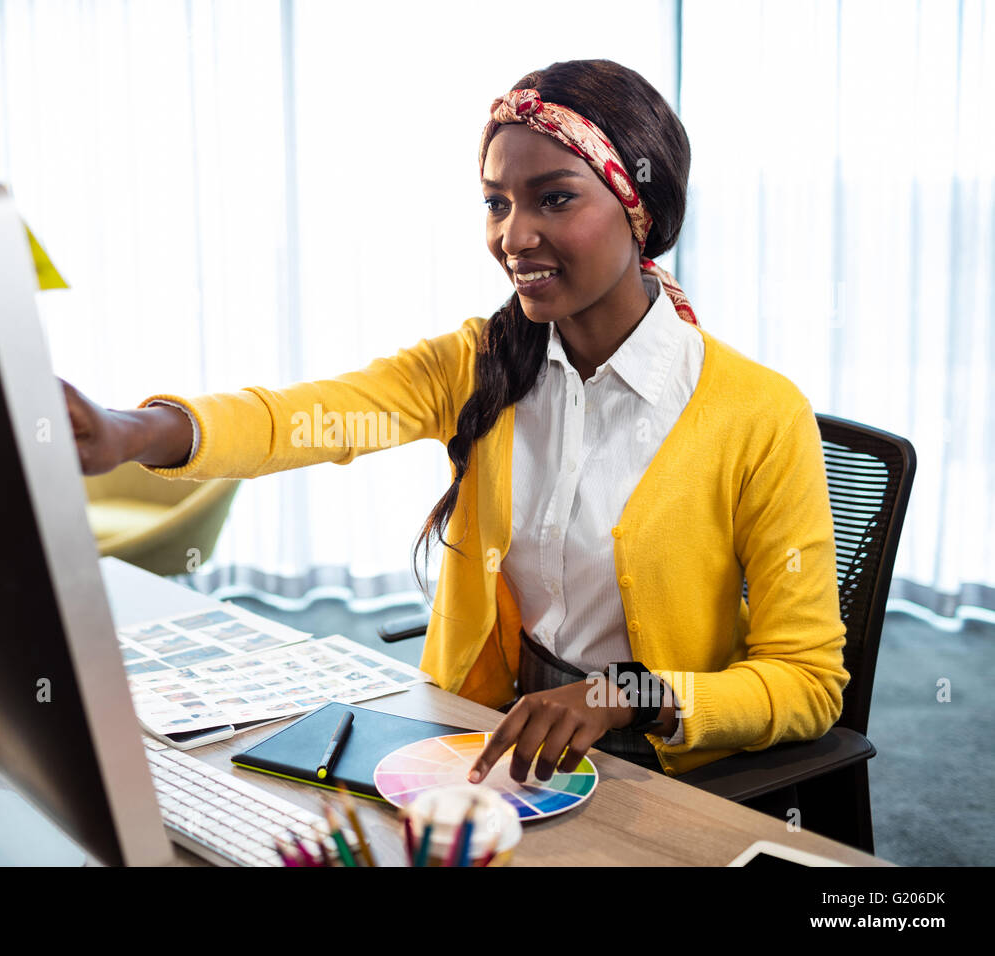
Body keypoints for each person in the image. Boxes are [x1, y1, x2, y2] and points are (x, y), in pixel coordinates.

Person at [62, 59, 849, 803]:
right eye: (496, 202)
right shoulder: (481, 363)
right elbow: (305, 416)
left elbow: (807, 683)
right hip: (481, 740)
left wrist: (622, 697)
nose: (514, 235)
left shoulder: (758, 413)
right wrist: (131, 432)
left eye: (554, 198)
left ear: (639, 209)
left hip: (656, 763)